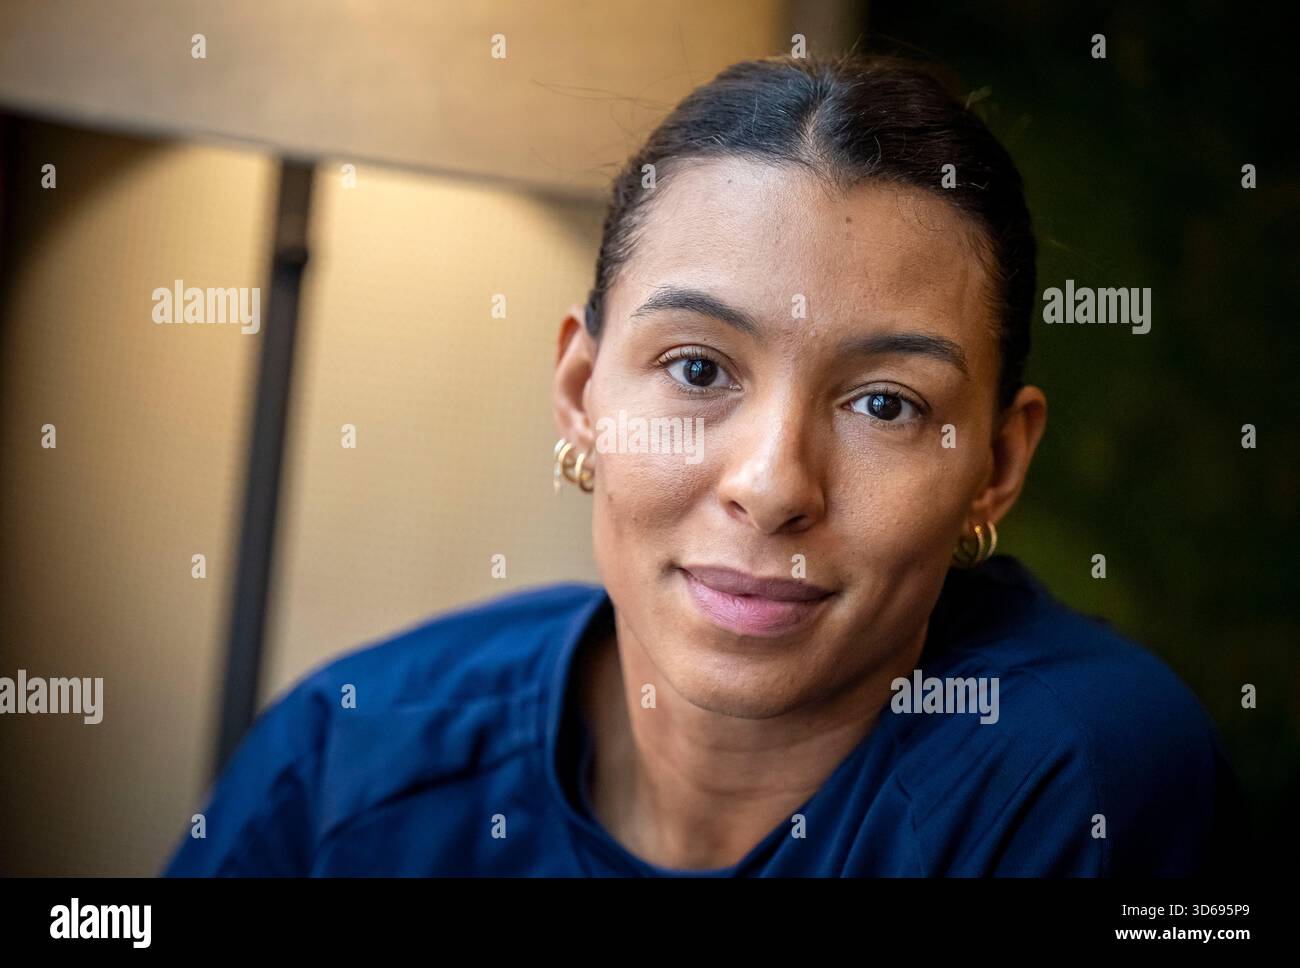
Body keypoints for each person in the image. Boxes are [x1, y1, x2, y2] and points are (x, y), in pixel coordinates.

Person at [162, 53, 1244, 877]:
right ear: (583, 392)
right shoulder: (350, 750)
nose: (773, 484)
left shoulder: (1081, 781)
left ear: (996, 466)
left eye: (884, 402)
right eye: (695, 367)